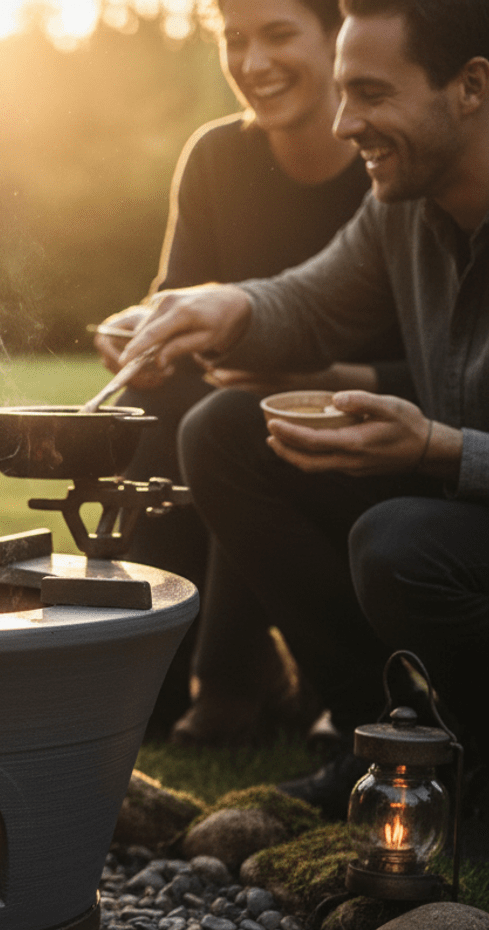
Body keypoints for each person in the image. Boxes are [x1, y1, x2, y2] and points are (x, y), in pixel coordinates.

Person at [121, 0, 489, 811]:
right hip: (459, 497)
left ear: (470, 87)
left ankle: (467, 761)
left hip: (458, 506)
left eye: (372, 95)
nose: (345, 121)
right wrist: (228, 309)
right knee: (224, 431)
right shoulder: (403, 207)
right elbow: (309, 300)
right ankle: (381, 740)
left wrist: (438, 448)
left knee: (400, 543)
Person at [94, 0, 409, 744]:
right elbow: (184, 298)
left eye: (277, 34)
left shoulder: (393, 169)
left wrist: (322, 375)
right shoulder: (216, 158)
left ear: (337, 41)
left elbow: (440, 364)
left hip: (369, 413)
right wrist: (140, 328)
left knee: (244, 420)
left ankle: (233, 681)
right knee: (155, 401)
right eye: (235, 40)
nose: (253, 62)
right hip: (233, 394)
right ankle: (154, 677)